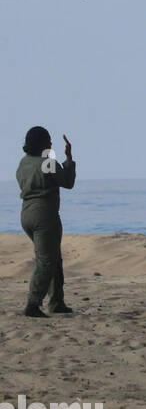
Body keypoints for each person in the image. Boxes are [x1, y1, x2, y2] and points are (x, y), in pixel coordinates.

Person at [16, 126, 76, 317]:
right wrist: (68, 159)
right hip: (44, 215)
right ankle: (33, 304)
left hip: (26, 214)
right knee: (46, 261)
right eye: (48, 140)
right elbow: (67, 182)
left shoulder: (24, 162)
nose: (51, 143)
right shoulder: (47, 162)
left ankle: (57, 301)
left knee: (53, 257)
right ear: (41, 143)